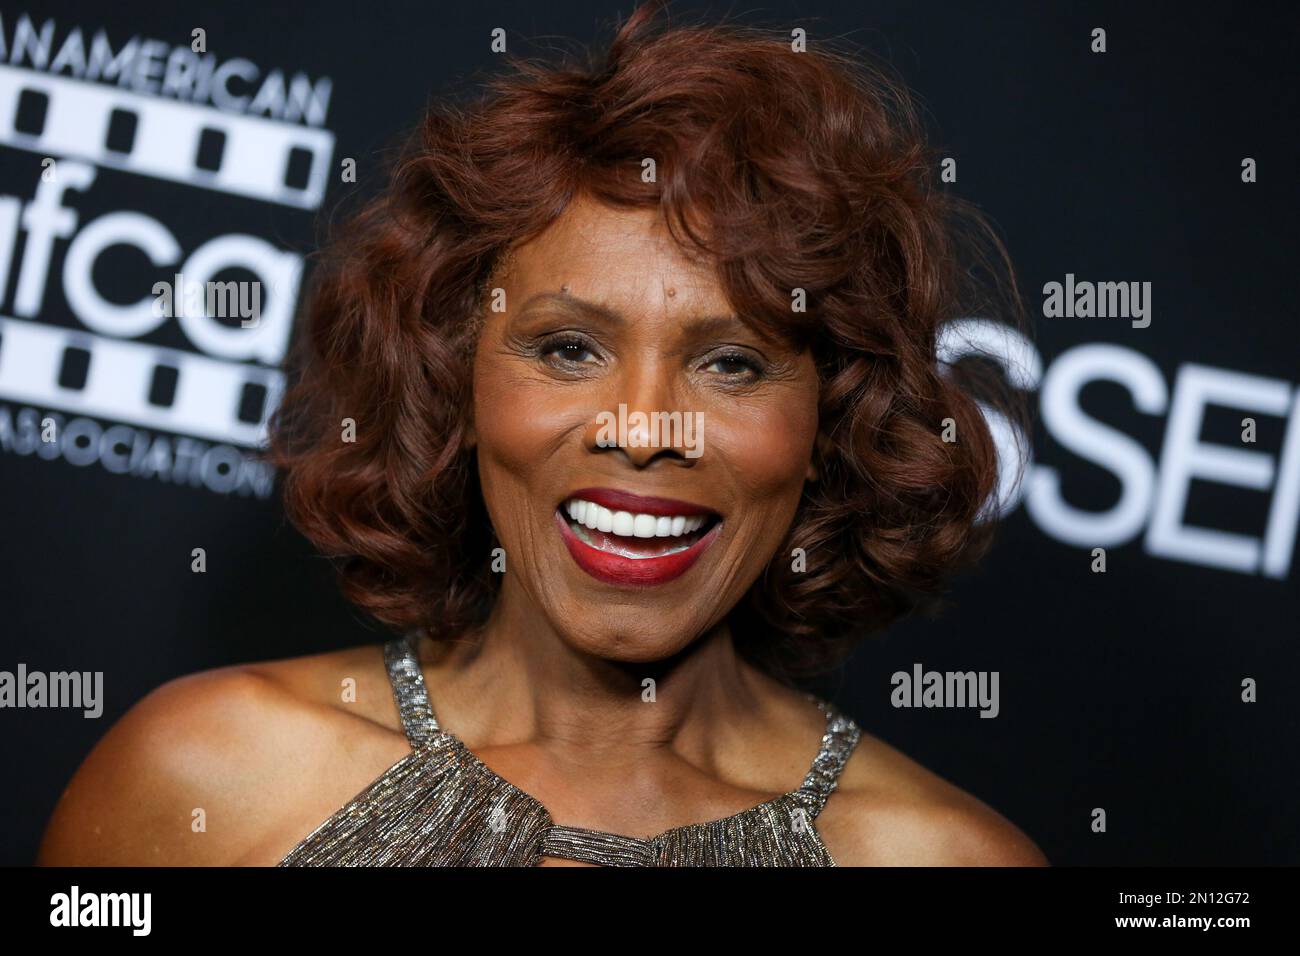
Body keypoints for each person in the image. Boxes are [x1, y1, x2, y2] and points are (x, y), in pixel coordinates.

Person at [38, 0, 1046, 867]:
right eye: (567, 347)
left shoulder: (949, 856)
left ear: (830, 418)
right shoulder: (201, 778)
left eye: (731, 361)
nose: (645, 427)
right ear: (456, 380)